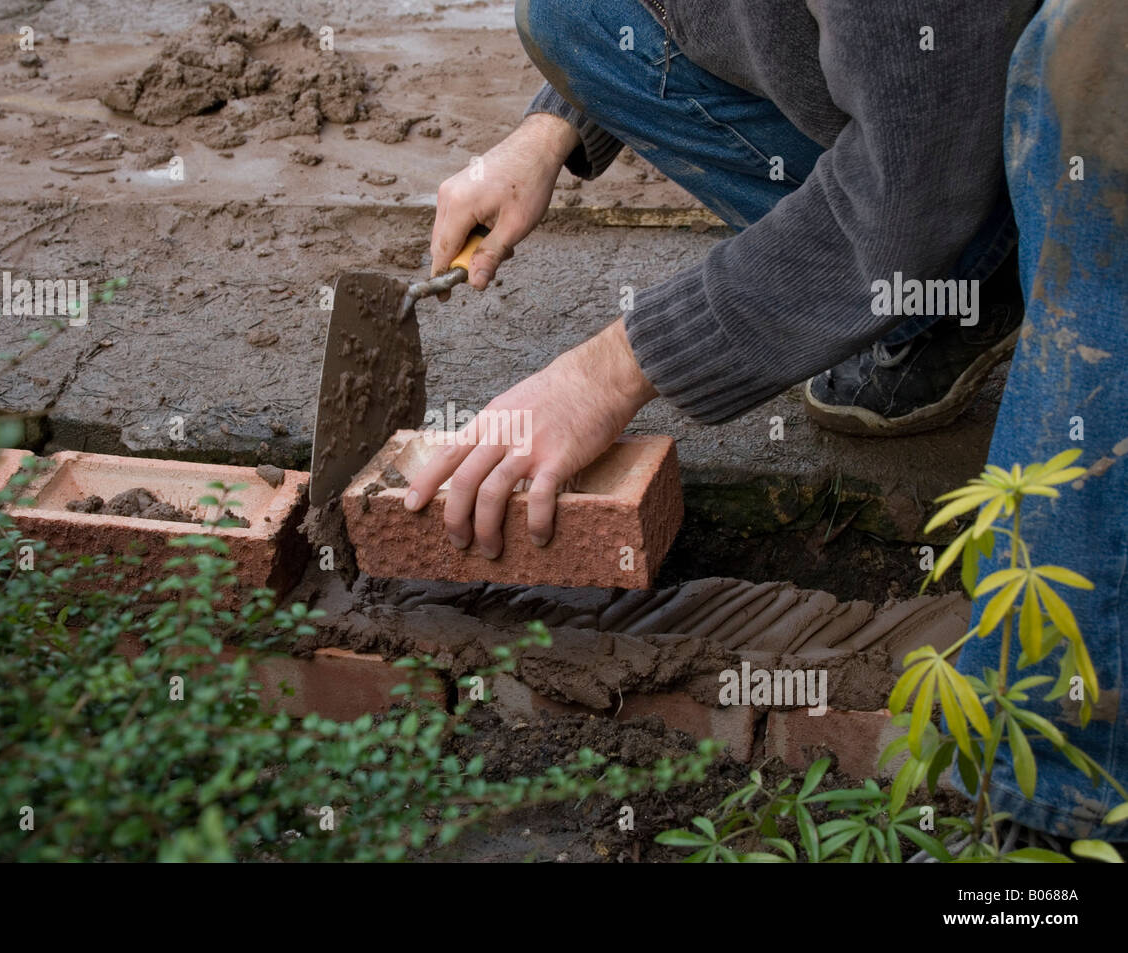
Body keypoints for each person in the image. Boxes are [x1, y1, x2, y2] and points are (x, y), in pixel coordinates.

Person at [406, 0, 1127, 842]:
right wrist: (546, 130)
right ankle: (946, 296)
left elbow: (906, 198)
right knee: (575, 19)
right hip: (937, 86)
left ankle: (1063, 812)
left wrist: (604, 373)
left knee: (1089, 82)